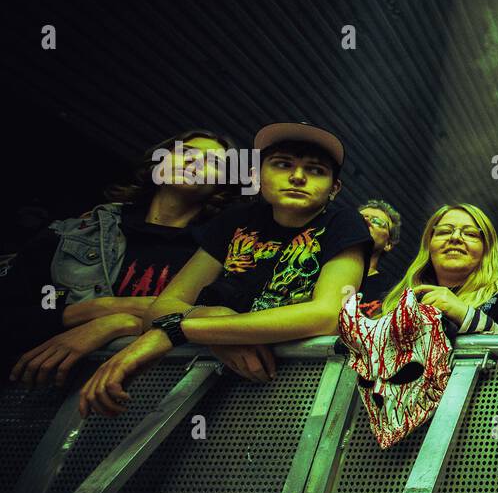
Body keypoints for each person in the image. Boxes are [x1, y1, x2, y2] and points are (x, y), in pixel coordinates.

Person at [78, 122, 372, 416]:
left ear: (334, 188)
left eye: (316, 170)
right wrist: (218, 324)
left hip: (294, 388)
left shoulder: (343, 223)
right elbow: (163, 306)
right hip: (210, 385)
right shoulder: (235, 220)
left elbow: (329, 315)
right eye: (282, 165)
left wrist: (179, 330)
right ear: (256, 176)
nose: (297, 177)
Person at [7, 130, 241, 387]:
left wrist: (120, 324)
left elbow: (226, 325)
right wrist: (98, 310)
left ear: (223, 184)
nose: (194, 163)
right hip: (40, 391)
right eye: (185, 152)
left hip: (156, 398)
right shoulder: (76, 233)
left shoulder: (222, 254)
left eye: (214, 162)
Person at [380, 202, 498, 336]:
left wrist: (466, 315)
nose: (455, 237)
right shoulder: (397, 299)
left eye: (470, 234)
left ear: (486, 249)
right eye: (444, 231)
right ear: (428, 245)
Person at [356, 197, 401, 317]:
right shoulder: (316, 266)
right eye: (361, 218)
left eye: (377, 221)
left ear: (388, 244)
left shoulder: (391, 291)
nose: (367, 221)